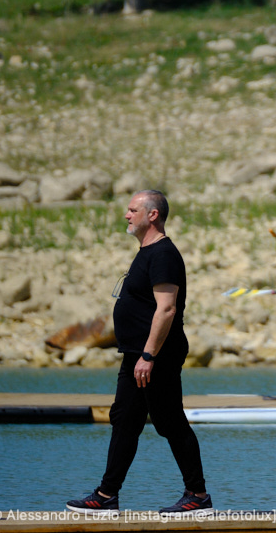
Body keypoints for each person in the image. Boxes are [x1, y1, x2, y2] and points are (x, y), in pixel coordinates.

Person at [67, 190, 211, 516]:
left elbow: (167, 309)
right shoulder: (146, 252)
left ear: (153, 215)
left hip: (154, 356)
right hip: (137, 354)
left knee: (170, 422)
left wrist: (148, 356)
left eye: (133, 210)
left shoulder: (163, 255)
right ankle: (106, 496)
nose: (126, 215)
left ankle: (198, 495)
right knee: (125, 420)